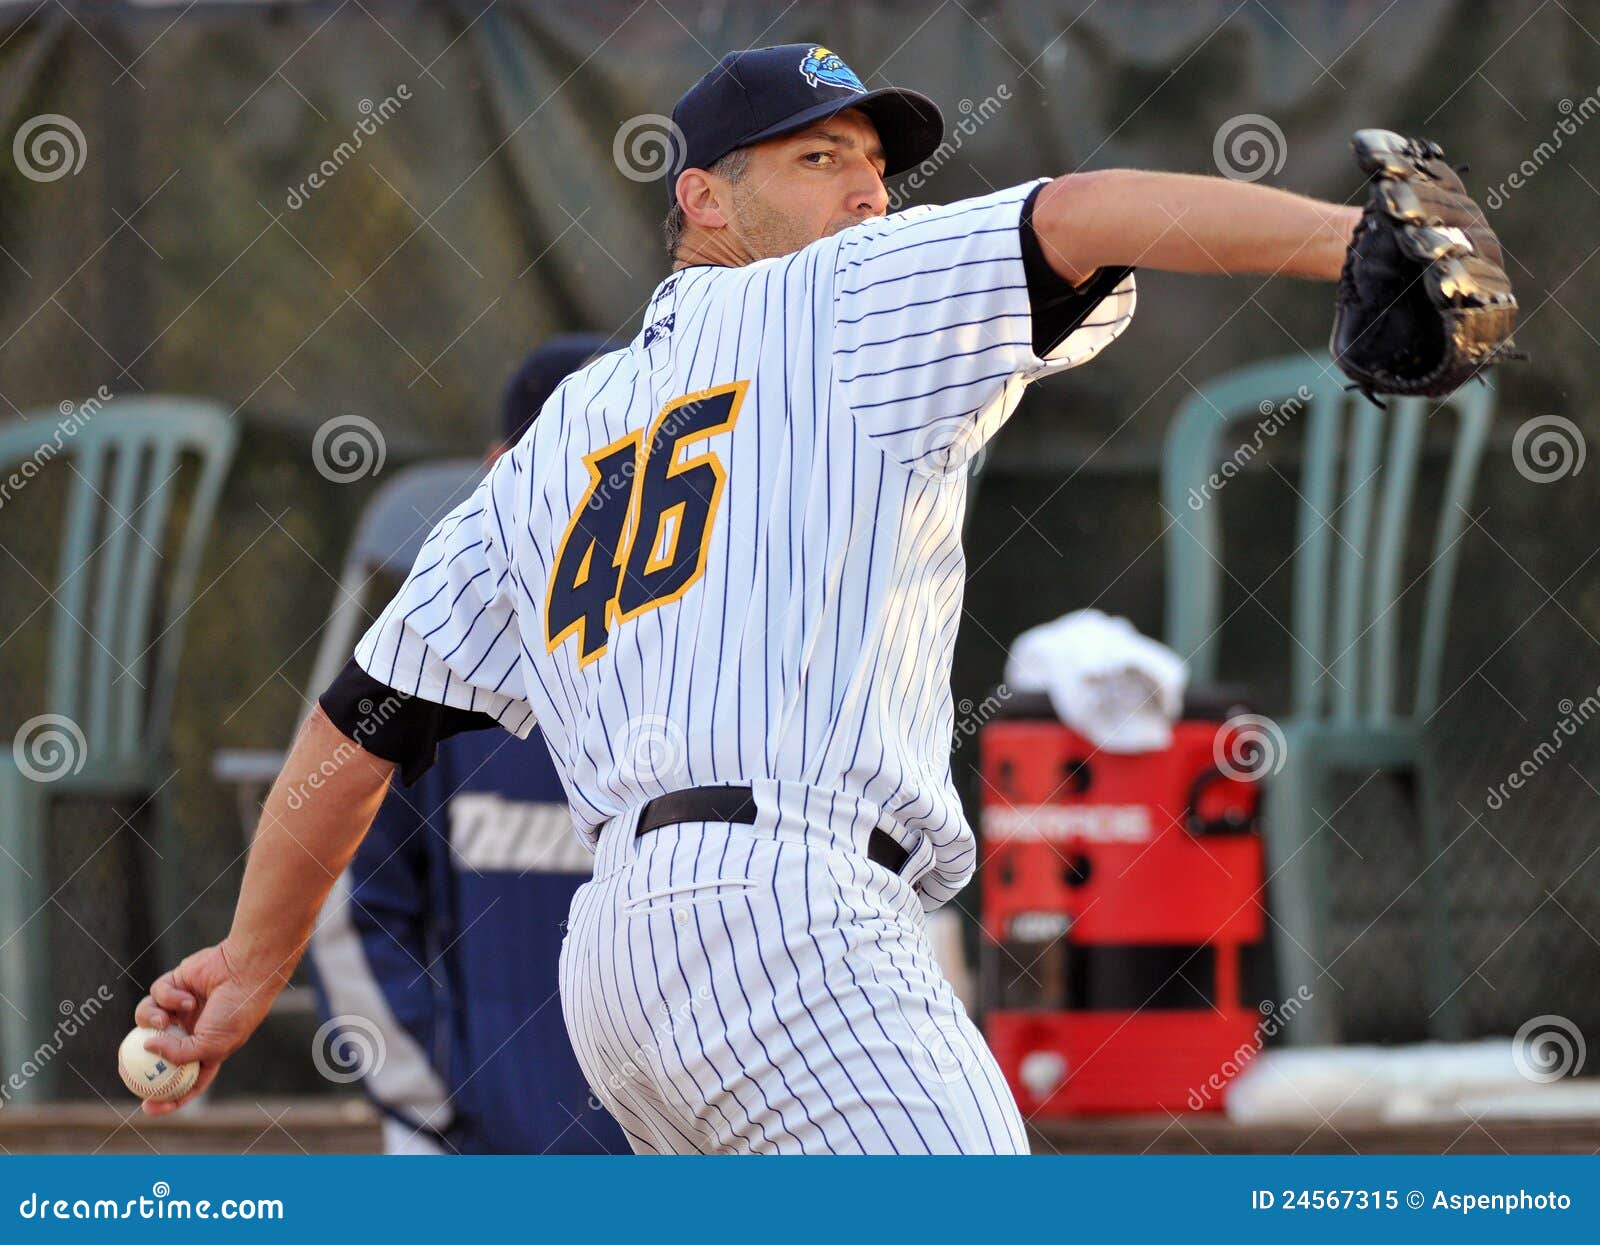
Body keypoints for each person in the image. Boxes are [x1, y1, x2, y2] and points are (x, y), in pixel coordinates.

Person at [134, 41, 1386, 1152]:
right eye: (816, 156)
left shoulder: (558, 440)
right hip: (788, 917)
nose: (865, 191)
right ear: (703, 198)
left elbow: (352, 732)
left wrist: (252, 962)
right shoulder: (836, 293)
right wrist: (1357, 246)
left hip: (619, 963)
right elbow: (1087, 212)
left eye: (876, 167)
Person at [308, 335, 628, 1155]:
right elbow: (345, 902)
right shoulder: (424, 671)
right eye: (563, 459)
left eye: (620, 463)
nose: (592, 493)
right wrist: (436, 1100)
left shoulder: (727, 680)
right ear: (499, 474)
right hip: (468, 1157)